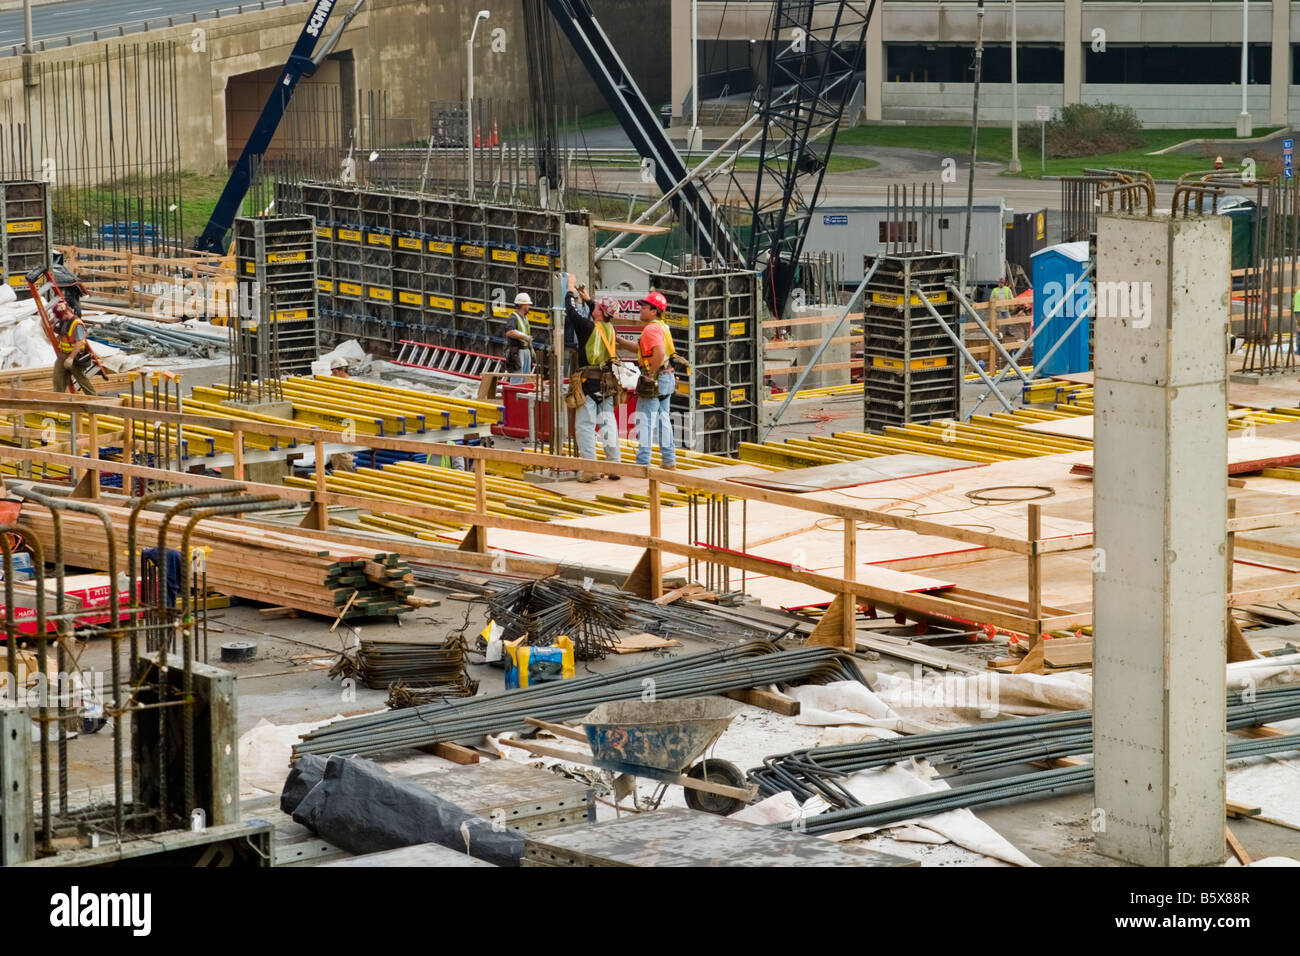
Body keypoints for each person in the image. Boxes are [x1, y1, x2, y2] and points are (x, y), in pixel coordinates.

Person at [564, 274, 637, 482]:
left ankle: (591, 468)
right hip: (606, 383)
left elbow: (570, 309)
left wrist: (570, 287)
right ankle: (614, 465)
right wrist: (587, 299)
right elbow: (599, 309)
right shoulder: (610, 329)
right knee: (608, 423)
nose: (592, 308)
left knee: (585, 425)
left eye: (595, 307)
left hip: (589, 383)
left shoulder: (587, 327)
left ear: (599, 312)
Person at [634, 290, 678, 470]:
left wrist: (651, 373)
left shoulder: (651, 328)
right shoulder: (662, 327)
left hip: (657, 378)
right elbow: (652, 351)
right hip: (667, 377)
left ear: (654, 311)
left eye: (644, 307)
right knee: (663, 420)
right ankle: (669, 460)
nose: (641, 310)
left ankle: (643, 463)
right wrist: (619, 342)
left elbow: (659, 352)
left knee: (645, 421)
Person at [51, 301, 97, 395]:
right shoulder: (64, 321)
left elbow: (79, 343)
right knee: (58, 379)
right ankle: (58, 401)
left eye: (61, 317)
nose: (60, 319)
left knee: (82, 380)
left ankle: (94, 399)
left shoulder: (77, 324)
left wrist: (71, 358)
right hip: (63, 355)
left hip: (74, 357)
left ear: (66, 313)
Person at [505, 292, 534, 382]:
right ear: (522, 305)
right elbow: (510, 332)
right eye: (528, 304)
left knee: (526, 377)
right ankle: (514, 395)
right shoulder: (514, 318)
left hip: (525, 350)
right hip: (517, 352)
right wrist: (524, 337)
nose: (529, 306)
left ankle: (522, 394)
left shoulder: (524, 318)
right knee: (517, 377)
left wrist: (530, 348)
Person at [990, 277, 1014, 341]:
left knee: (1008, 320)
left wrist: (1012, 305)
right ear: (998, 283)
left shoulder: (1007, 290)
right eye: (1000, 283)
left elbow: (1011, 298)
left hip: (1005, 308)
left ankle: (1008, 331)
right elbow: (991, 298)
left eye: (1002, 283)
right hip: (997, 309)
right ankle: (997, 332)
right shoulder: (995, 290)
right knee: (996, 321)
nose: (1001, 284)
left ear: (1004, 283)